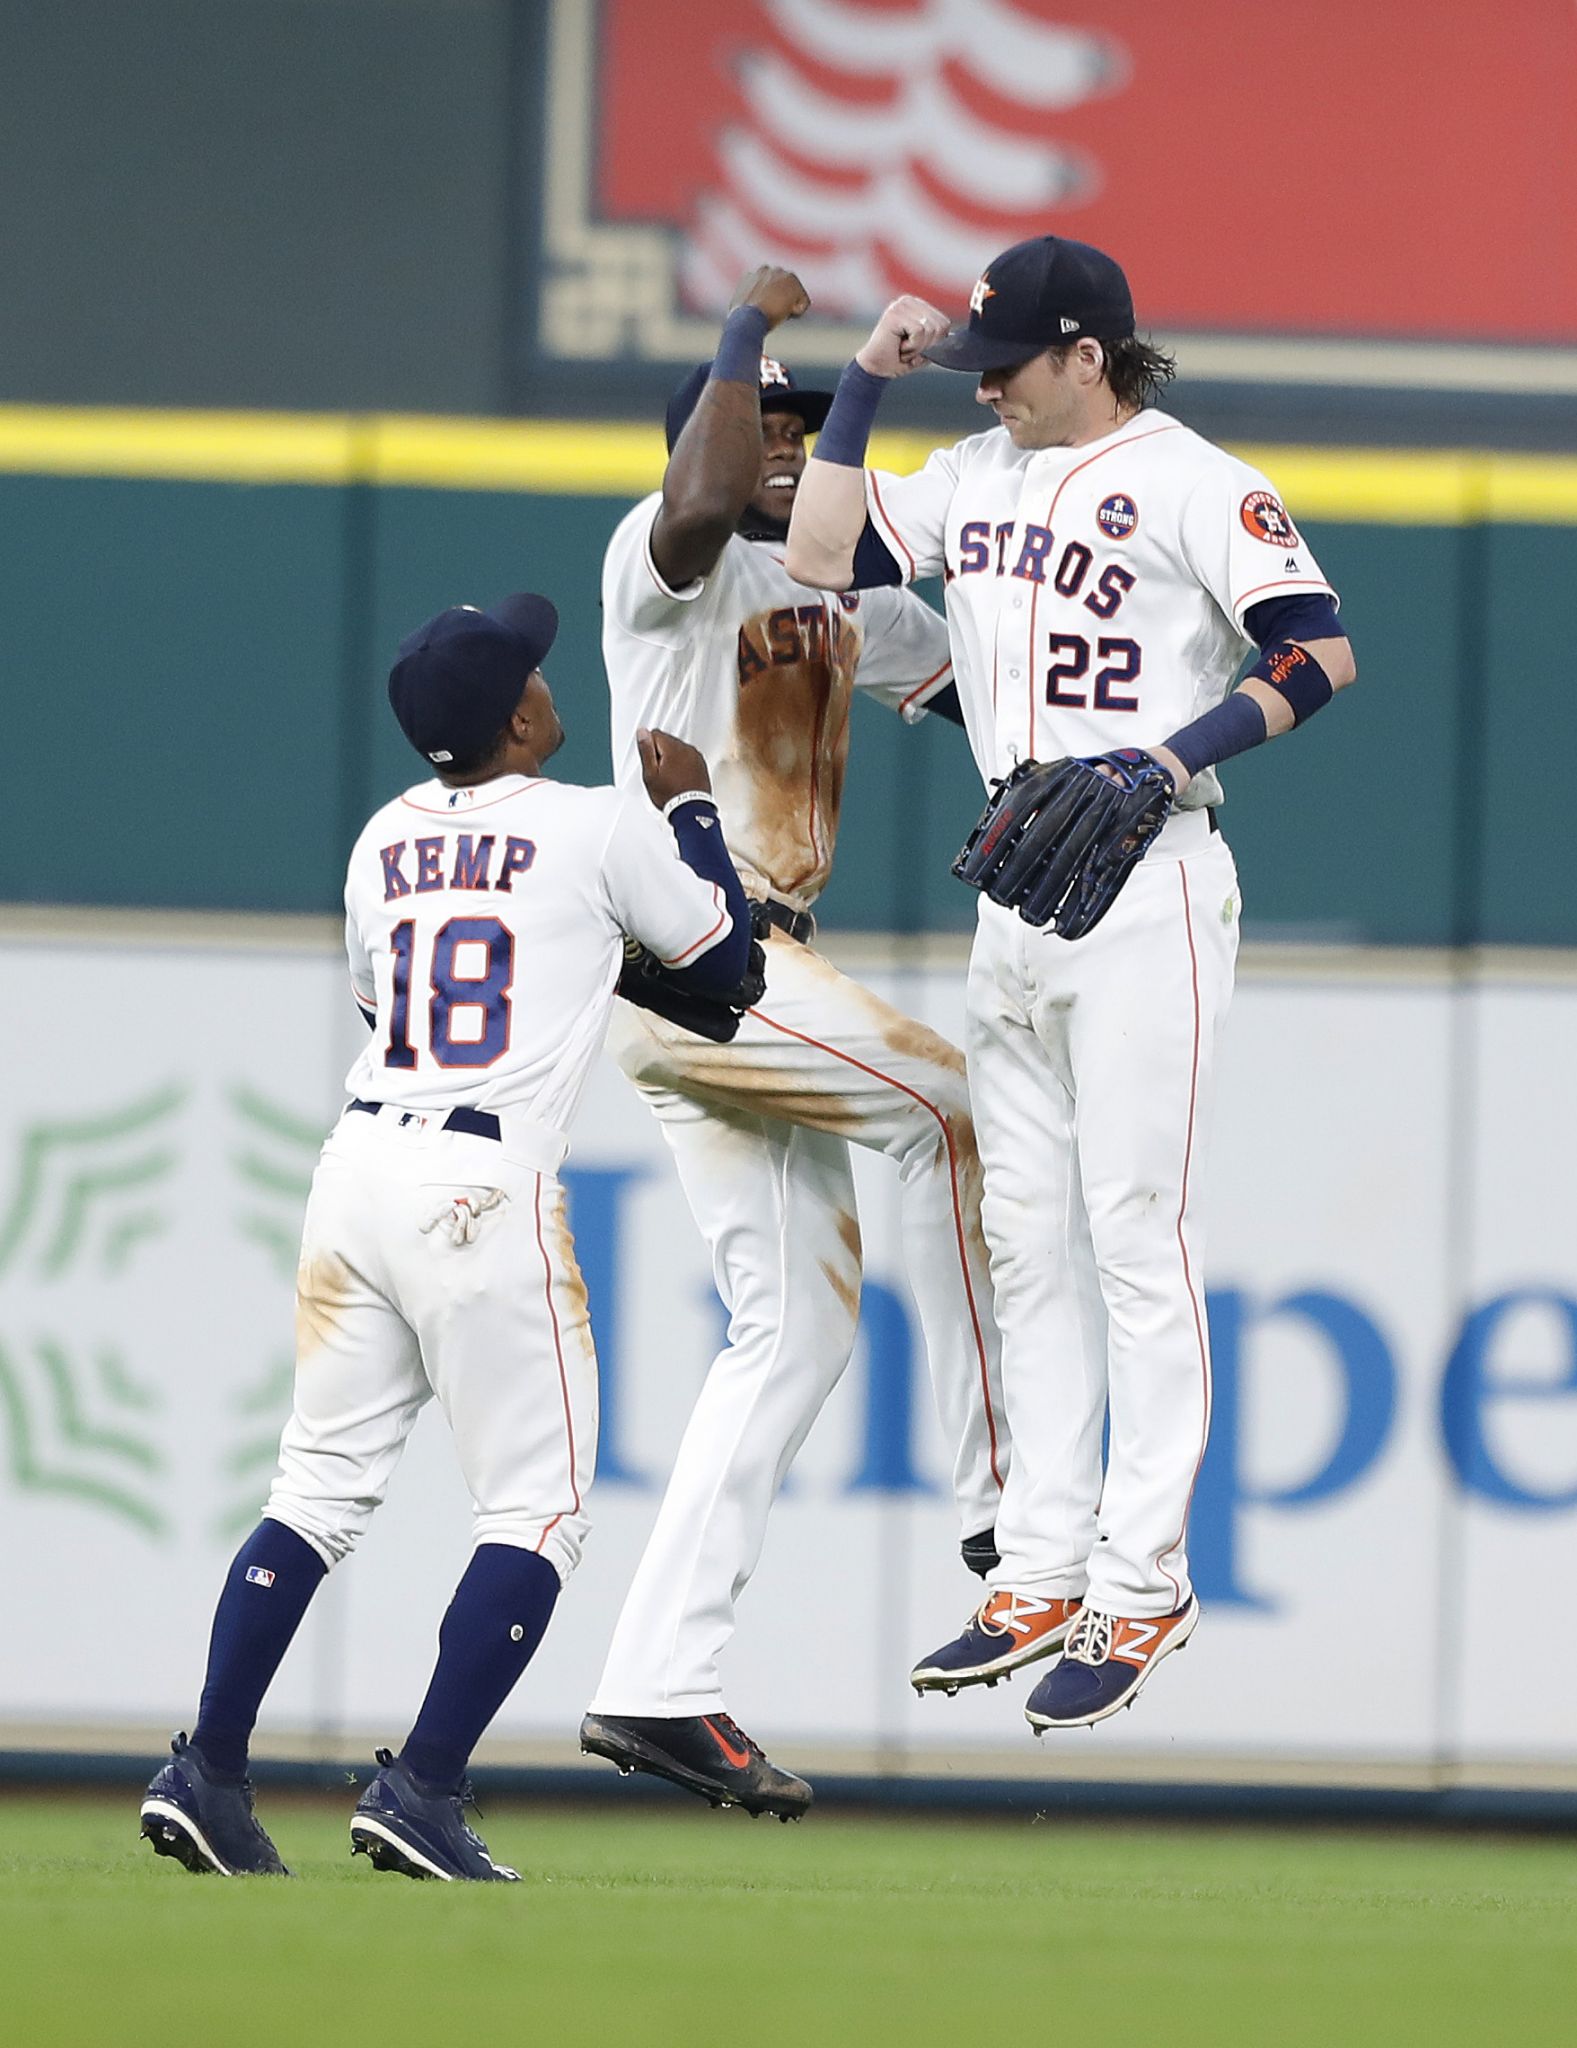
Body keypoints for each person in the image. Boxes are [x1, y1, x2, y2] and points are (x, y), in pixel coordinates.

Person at [786, 235, 1356, 1730]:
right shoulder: (972, 474)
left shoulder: (1191, 477)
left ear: (1087, 352)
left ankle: (1142, 1580)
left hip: (1151, 865)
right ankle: (1038, 1562)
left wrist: (1172, 755)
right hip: (1019, 882)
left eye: (1013, 366)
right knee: (1022, 1236)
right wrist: (859, 383)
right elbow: (815, 554)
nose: (992, 390)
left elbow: (1317, 654)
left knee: (1130, 1234)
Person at [140, 594, 754, 1879]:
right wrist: (691, 808)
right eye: (529, 669)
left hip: (357, 1163)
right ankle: (420, 1785)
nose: (543, 677)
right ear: (519, 715)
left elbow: (385, 1000)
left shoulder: (379, 839)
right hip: (479, 1181)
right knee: (536, 1506)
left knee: (313, 1492)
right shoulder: (596, 821)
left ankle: (210, 1766)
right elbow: (730, 970)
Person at [578, 266, 1008, 1818]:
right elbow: (699, 502)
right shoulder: (663, 560)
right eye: (756, 425)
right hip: (692, 951)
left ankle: (655, 1687)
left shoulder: (850, 598)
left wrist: (1135, 756)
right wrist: (746, 336)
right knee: (949, 1108)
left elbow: (986, 691)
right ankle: (1004, 1508)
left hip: (748, 979)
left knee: (798, 1338)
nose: (782, 444)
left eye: (799, 428)